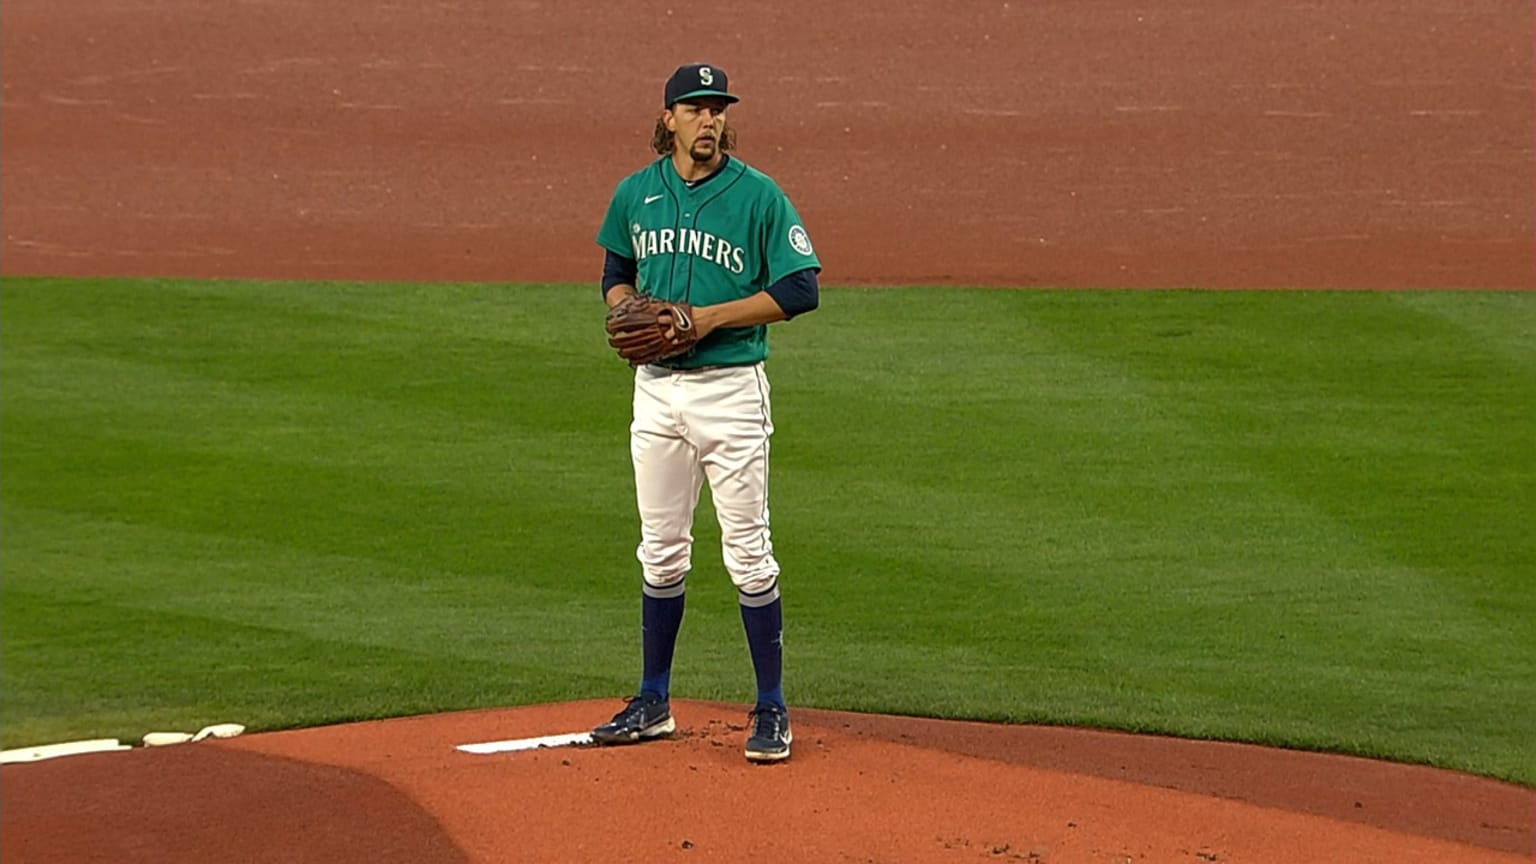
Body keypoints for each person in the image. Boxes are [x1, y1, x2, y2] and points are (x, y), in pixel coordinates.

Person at [590, 63, 822, 763]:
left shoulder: (758, 196)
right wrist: (627, 311)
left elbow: (801, 288)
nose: (708, 119)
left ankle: (773, 709)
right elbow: (613, 275)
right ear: (668, 120)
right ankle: (654, 700)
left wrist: (707, 318)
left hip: (730, 391)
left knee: (748, 553)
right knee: (661, 551)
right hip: (656, 392)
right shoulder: (636, 193)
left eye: (717, 109)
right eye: (694, 108)